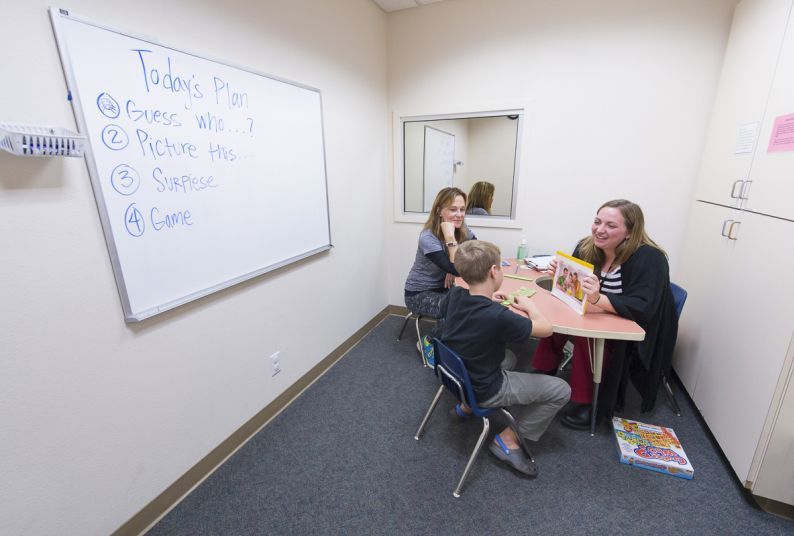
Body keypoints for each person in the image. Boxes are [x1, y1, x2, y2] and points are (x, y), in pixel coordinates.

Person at [532, 199, 678, 429]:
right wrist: (559, 274)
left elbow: (643, 307)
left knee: (587, 334)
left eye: (611, 225)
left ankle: (587, 402)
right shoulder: (586, 247)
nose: (600, 230)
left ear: (630, 232)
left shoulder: (651, 259)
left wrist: (598, 299)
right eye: (597, 221)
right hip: (598, 313)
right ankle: (542, 375)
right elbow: (574, 289)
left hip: (632, 324)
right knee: (554, 320)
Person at [439, 240, 571, 477]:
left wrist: (488, 300)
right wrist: (530, 307)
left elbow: (470, 312)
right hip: (485, 389)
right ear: (494, 271)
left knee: (508, 357)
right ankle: (508, 439)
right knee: (561, 390)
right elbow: (546, 329)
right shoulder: (498, 316)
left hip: (455, 377)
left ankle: (465, 407)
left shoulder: (455, 294)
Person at [404, 187, 475, 339]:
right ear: (439, 211)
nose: (459, 215)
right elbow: (457, 269)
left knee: (475, 301)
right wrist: (449, 237)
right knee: (455, 308)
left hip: (444, 288)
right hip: (418, 293)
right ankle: (429, 342)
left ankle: (456, 341)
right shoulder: (428, 237)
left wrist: (450, 268)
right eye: (453, 209)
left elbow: (477, 253)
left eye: (462, 209)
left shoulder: (462, 229)